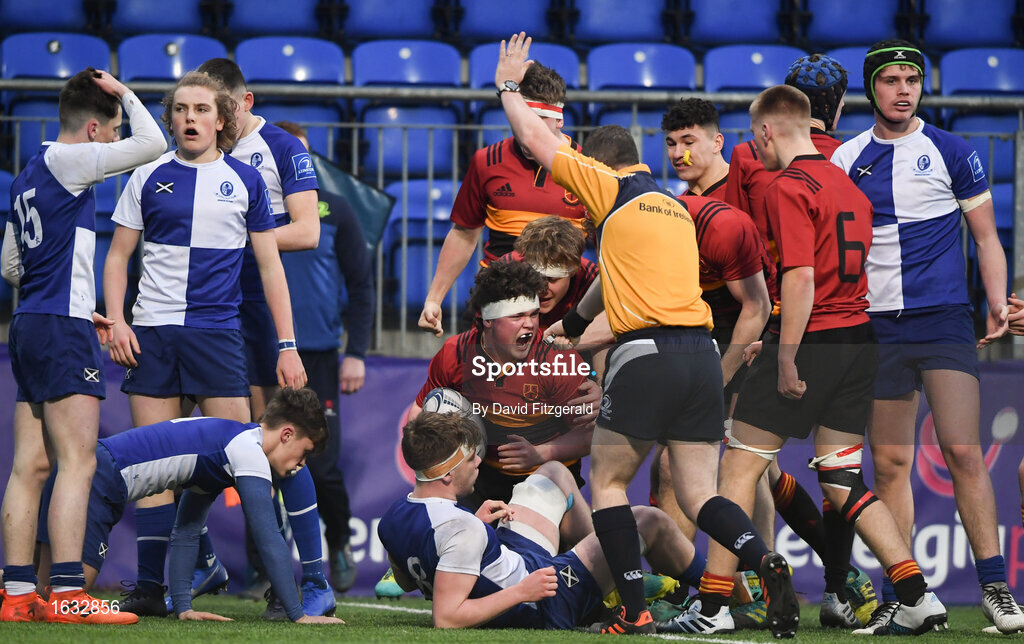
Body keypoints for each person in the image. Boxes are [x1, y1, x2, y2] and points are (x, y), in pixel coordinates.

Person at [496, 33, 791, 636]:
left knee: (607, 481)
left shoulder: (610, 189)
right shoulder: (676, 208)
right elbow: (615, 281)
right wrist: (571, 326)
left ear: (599, 168)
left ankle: (632, 609)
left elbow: (534, 138)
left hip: (647, 355)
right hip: (702, 357)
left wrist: (507, 84)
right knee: (700, 494)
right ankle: (766, 563)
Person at [664, 84, 944, 637]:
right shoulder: (850, 186)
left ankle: (716, 607)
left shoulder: (787, 188)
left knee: (738, 467)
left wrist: (785, 353)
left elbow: (799, 276)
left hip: (811, 338)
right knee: (839, 478)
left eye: (754, 136)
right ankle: (915, 592)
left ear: (769, 131)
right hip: (859, 338)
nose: (753, 147)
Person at [831, 40, 1023, 634]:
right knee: (889, 464)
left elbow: (987, 239)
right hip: (875, 327)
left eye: (911, 78)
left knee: (964, 451)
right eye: (889, 79)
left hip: (942, 320)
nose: (902, 88)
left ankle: (996, 589)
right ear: (872, 89)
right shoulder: (846, 159)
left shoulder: (952, 150)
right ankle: (905, 593)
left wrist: (997, 301)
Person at [101, 71, 307, 614]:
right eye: (181, 109)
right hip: (151, 336)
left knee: (249, 461)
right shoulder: (146, 175)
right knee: (154, 471)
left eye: (201, 109)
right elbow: (118, 256)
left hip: (217, 337)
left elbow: (271, 269)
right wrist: (118, 321)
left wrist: (287, 344)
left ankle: (287, 586)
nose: (190, 118)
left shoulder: (246, 180)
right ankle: (152, 588)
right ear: (170, 118)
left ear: (222, 119)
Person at [0, 67, 165, 624]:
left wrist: (64, 295)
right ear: (94, 129)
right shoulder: (72, 161)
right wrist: (127, 93)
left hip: (29, 323)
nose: (116, 141)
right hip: (58, 330)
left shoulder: (28, 171)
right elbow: (153, 144)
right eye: (113, 129)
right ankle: (71, 594)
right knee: (78, 461)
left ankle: (19, 594)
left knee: (31, 466)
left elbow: (10, 266)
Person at [722, 54, 878, 628]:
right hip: (854, 325)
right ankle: (850, 585)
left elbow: (745, 241)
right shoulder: (855, 159)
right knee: (837, 469)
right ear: (835, 107)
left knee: (742, 460)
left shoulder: (749, 157)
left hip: (774, 321)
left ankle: (741, 584)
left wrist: (768, 334)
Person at [33, 388, 342, 624]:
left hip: (86, 470)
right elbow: (269, 537)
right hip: (99, 477)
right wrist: (298, 615)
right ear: (287, 434)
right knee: (67, 604)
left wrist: (184, 608)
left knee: (48, 597)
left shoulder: (222, 450)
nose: (300, 466)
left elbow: (186, 531)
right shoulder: (248, 451)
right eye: (304, 454)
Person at [377, 411, 706, 630]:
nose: (478, 461)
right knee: (648, 520)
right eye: (469, 457)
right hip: (546, 598)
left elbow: (409, 580)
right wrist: (522, 591)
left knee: (553, 474)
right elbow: (447, 618)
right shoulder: (461, 530)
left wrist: (476, 525)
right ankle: (720, 592)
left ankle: (615, 577)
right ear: (447, 475)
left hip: (511, 560)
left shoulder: (393, 517)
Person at [275, 121, 374, 593]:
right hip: (261, 351)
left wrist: (356, 352)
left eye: (304, 156)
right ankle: (263, 567)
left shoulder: (336, 211)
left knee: (321, 463)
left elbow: (361, 286)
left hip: (317, 356)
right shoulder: (254, 208)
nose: (298, 165)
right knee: (258, 462)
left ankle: (337, 542)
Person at [411, 260, 600, 507]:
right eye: (517, 316)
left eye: (534, 314)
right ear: (488, 320)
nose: (530, 324)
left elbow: (591, 435)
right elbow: (419, 413)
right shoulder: (455, 353)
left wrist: (540, 453)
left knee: (531, 542)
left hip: (548, 476)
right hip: (481, 476)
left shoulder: (555, 358)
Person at [418, 62, 588, 337]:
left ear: (560, 119)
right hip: (495, 308)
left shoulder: (587, 167)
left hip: (564, 317)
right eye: (522, 120)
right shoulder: (487, 162)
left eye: (537, 121)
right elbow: (464, 234)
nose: (527, 133)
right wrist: (434, 298)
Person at [662, 98, 730, 199]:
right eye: (671, 144)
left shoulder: (746, 187)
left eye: (688, 142)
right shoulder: (678, 208)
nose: (677, 154)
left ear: (717, 143)